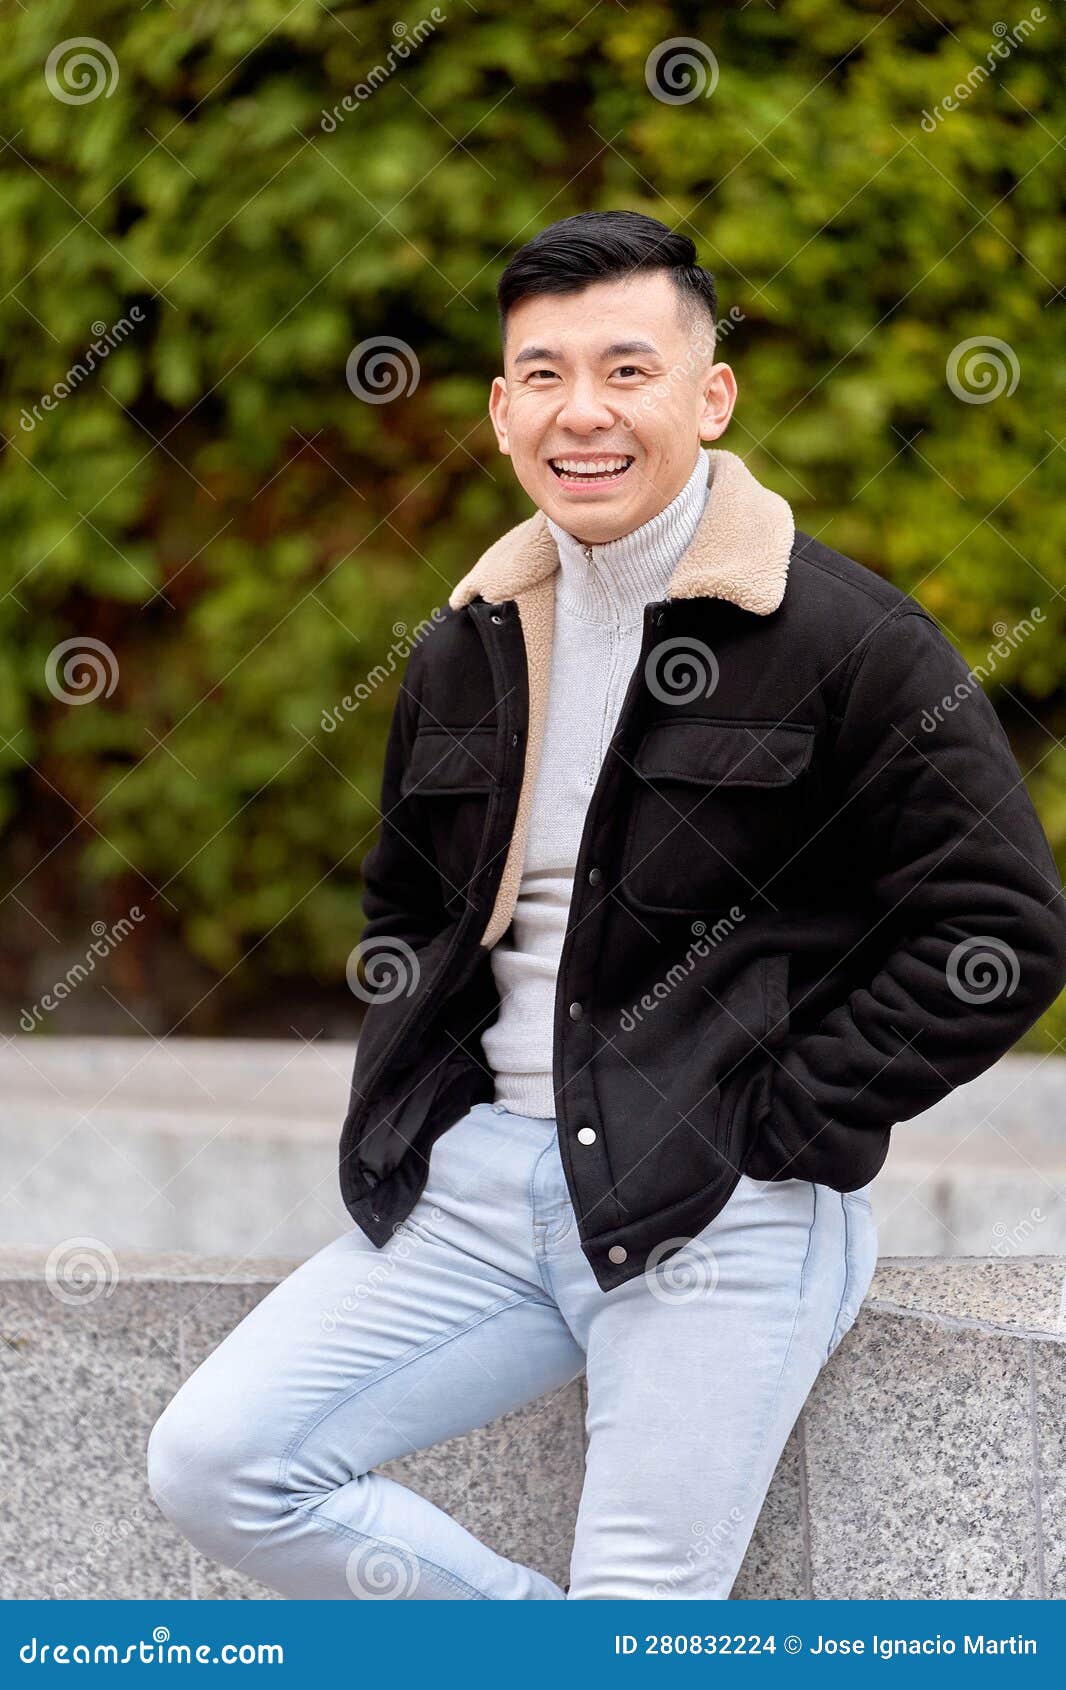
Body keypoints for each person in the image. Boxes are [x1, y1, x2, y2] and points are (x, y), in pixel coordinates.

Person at [147, 210, 1066, 1600]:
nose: (583, 411)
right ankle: (552, 1649)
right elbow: (409, 913)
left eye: (626, 371)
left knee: (642, 1611)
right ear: (504, 411)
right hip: (476, 1190)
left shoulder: (846, 640)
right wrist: (419, 1109)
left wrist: (777, 1119)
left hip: (724, 1203)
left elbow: (997, 925)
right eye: (542, 374)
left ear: (709, 396)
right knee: (215, 1461)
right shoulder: (466, 645)